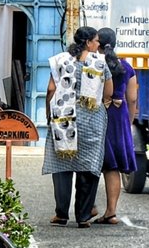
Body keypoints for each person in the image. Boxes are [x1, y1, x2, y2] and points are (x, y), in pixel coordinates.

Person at [44, 26, 110, 226]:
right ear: (89, 42)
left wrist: (50, 114)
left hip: (64, 118)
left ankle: (61, 214)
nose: (98, 44)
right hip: (92, 120)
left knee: (62, 166)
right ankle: (83, 216)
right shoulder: (99, 62)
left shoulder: (61, 60)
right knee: (88, 167)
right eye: (96, 41)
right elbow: (109, 91)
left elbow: (51, 89)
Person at [96, 27, 140, 224]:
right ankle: (111, 211)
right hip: (119, 114)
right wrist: (129, 121)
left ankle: (88, 208)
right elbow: (132, 98)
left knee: (92, 162)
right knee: (112, 166)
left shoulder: (94, 64)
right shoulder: (126, 67)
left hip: (97, 113)